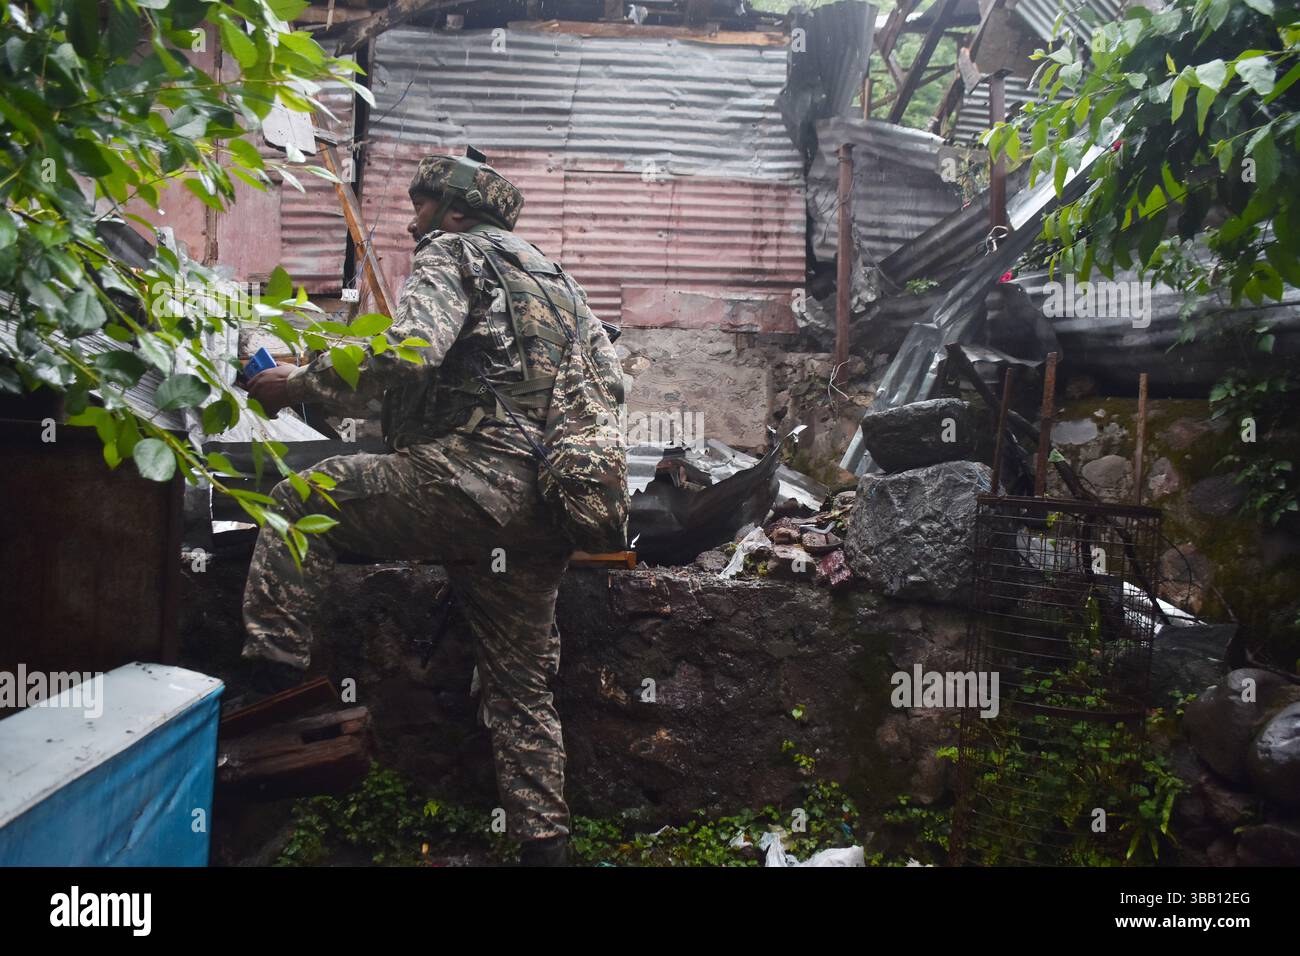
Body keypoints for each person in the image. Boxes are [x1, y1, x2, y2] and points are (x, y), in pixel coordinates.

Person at [242, 149, 625, 867]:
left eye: (421, 205)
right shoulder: (560, 284)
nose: (412, 220)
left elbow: (411, 352)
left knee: (302, 499)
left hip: (468, 482)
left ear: (454, 211)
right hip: (548, 509)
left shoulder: (452, 250)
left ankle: (266, 689)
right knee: (519, 692)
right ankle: (546, 849)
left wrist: (297, 384)